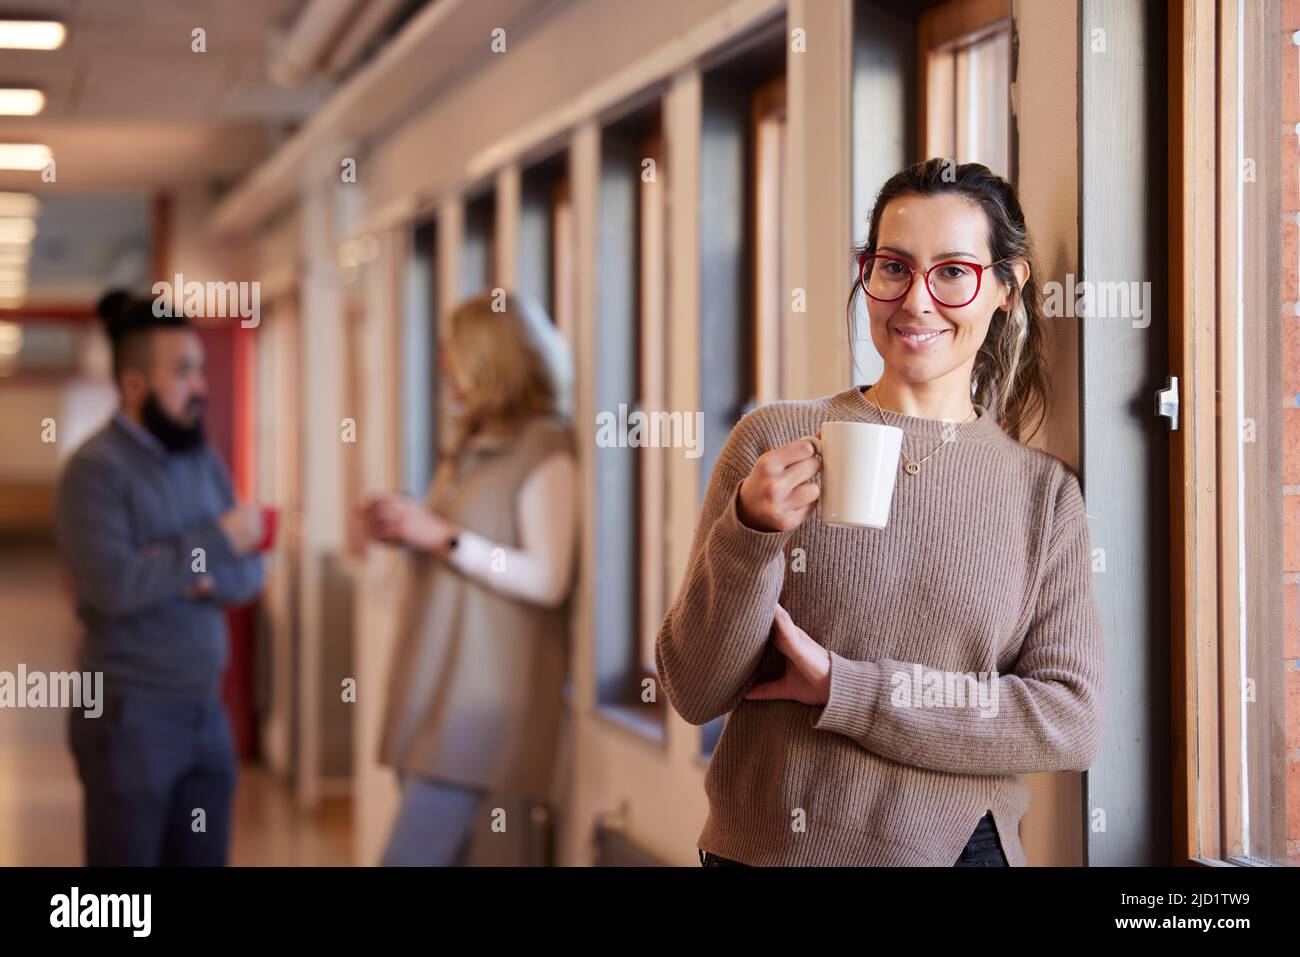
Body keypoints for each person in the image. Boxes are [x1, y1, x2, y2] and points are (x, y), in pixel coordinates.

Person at [657, 158, 1107, 867]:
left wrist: (850, 689)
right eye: (893, 267)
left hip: (958, 855)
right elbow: (693, 688)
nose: (916, 301)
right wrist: (749, 533)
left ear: (1006, 287)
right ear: (867, 275)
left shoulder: (1042, 495)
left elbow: (1068, 722)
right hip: (767, 852)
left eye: (953, 270)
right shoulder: (772, 441)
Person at [364, 289, 578, 866]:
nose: (443, 369)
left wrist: (444, 538)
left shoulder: (544, 447)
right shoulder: (470, 444)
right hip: (432, 685)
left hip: (479, 706)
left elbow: (549, 579)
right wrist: (409, 528)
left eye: (454, 355)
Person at [53, 290, 266, 866]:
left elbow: (250, 573)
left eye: (199, 370)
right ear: (132, 385)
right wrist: (210, 547)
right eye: (183, 372)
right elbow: (115, 587)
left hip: (205, 713)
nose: (200, 386)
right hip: (129, 719)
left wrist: (184, 570)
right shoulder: (94, 472)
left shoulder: (200, 459)